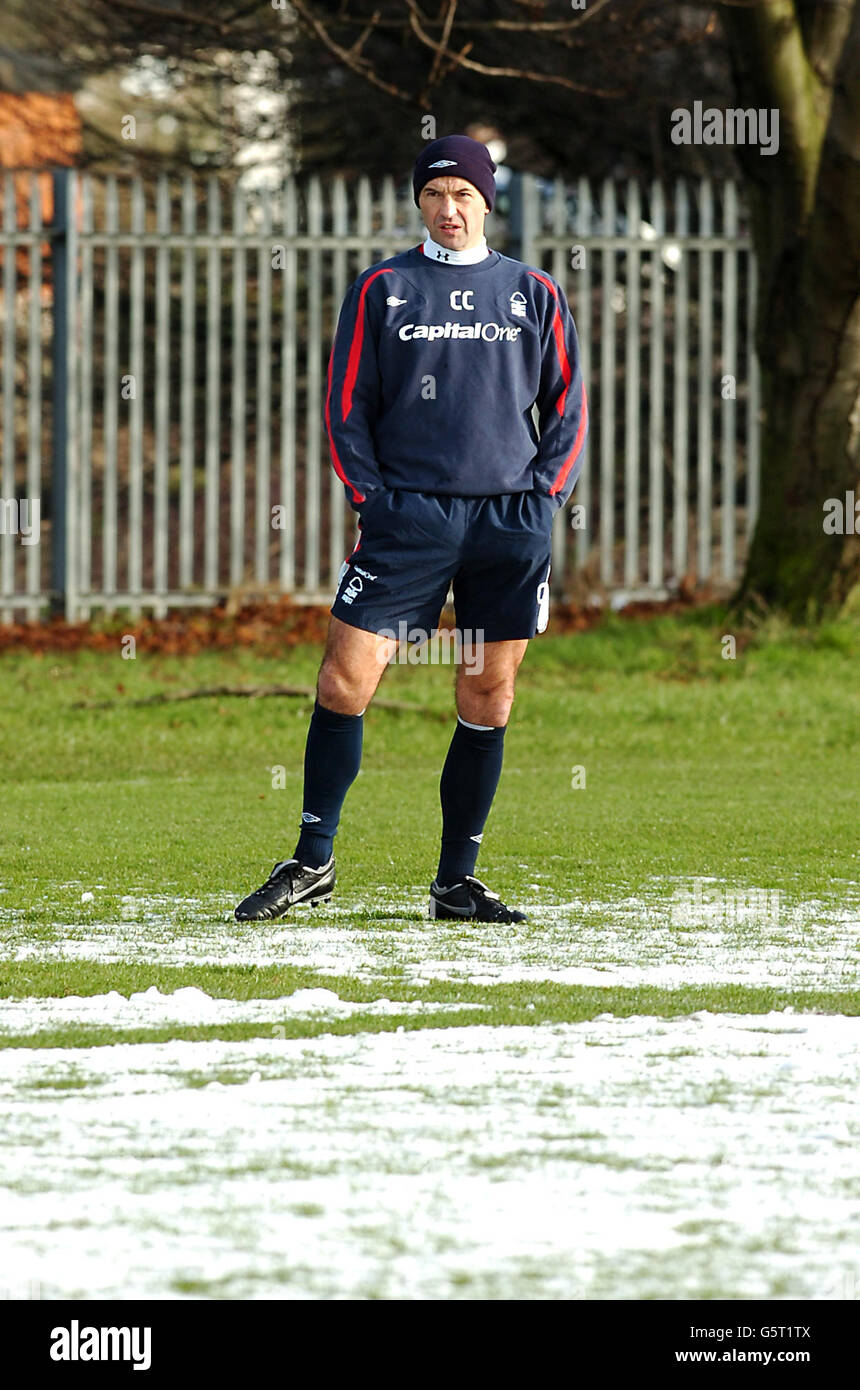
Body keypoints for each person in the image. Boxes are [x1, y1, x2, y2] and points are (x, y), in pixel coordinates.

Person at [235, 134, 588, 925]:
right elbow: (345, 406)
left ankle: (456, 883)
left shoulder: (533, 293)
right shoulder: (384, 288)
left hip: (507, 523)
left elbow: (567, 409)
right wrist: (374, 498)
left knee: (487, 693)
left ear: (487, 203)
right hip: (409, 520)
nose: (449, 208)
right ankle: (313, 859)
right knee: (346, 678)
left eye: (463, 194)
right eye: (435, 195)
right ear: (419, 204)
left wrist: (542, 498)